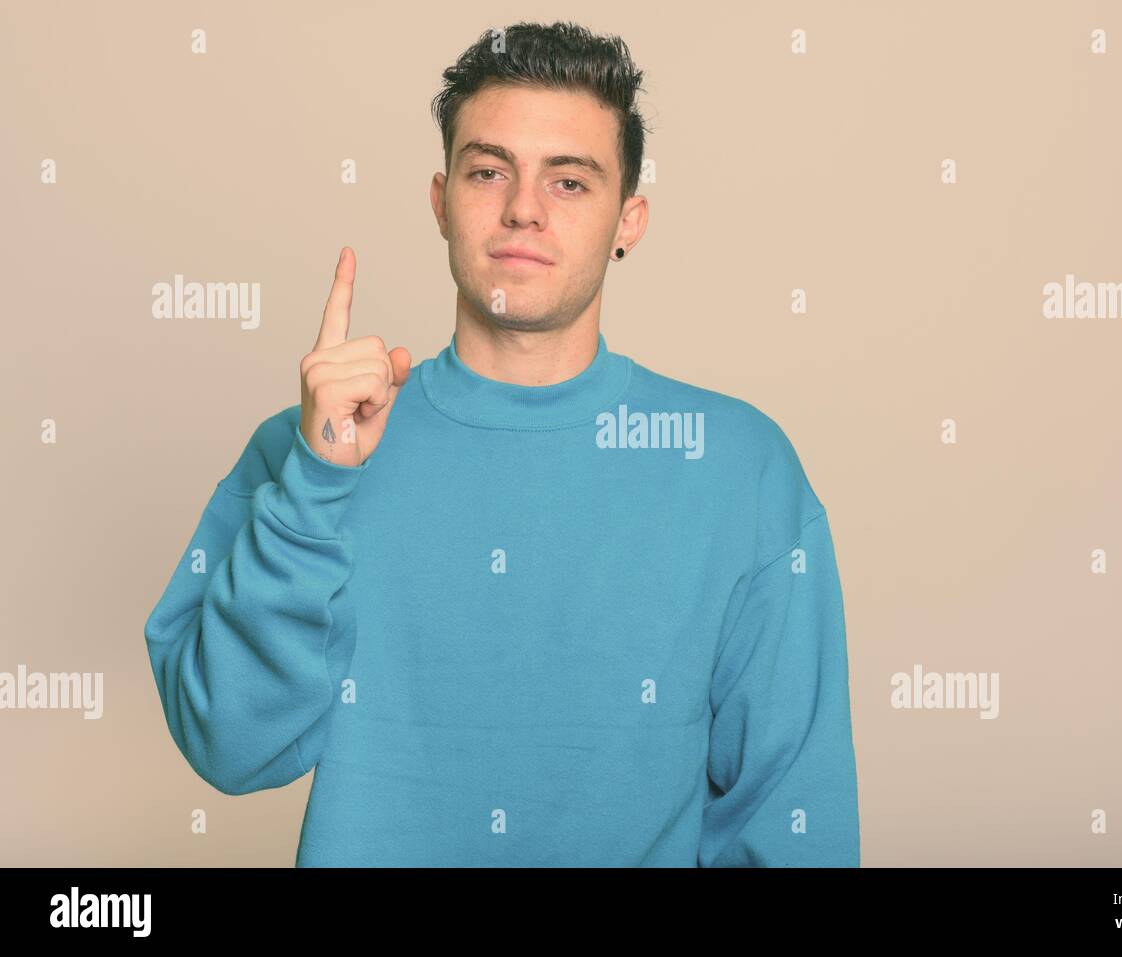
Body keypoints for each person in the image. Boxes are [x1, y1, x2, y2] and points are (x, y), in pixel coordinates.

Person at [144, 20, 860, 867]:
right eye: (490, 171)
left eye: (569, 182)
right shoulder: (311, 448)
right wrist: (314, 485)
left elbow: (788, 822)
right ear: (442, 200)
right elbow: (226, 744)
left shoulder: (742, 468)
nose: (523, 207)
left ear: (629, 219)